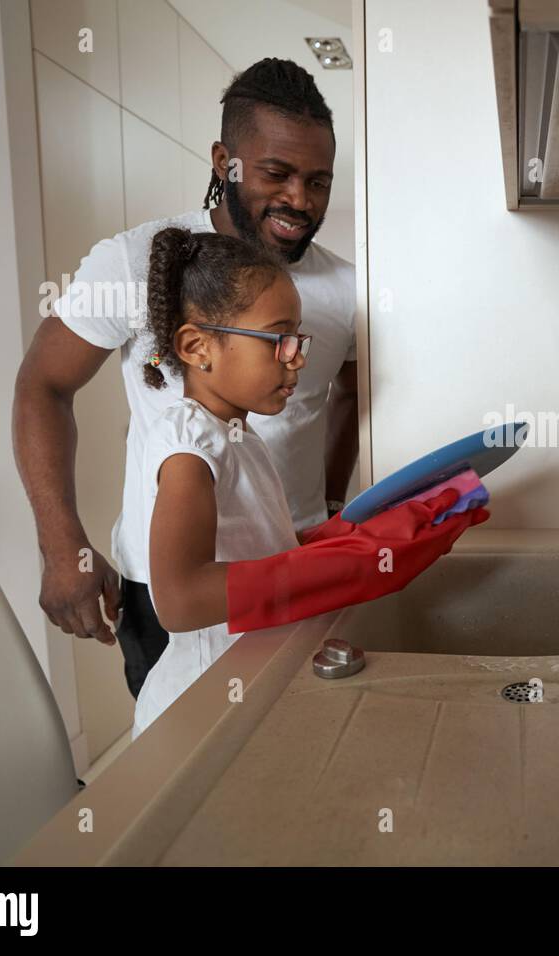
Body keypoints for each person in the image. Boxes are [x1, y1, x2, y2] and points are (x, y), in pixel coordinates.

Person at [12, 58, 358, 699]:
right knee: (182, 762)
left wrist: (330, 514)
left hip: (294, 562)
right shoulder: (135, 262)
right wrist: (65, 549)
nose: (300, 201)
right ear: (224, 160)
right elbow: (43, 387)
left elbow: (347, 401)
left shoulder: (346, 287)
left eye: (319, 181)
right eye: (277, 174)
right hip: (171, 585)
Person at [131, 226, 486, 737]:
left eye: (297, 338)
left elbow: (255, 550)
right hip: (199, 710)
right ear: (197, 346)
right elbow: (180, 600)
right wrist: (350, 567)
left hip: (244, 683)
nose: (297, 357)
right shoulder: (189, 445)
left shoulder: (235, 435)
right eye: (278, 340)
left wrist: (351, 536)